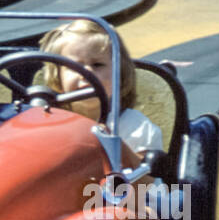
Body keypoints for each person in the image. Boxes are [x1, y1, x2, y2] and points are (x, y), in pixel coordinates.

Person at [37, 19, 163, 162]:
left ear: (119, 74)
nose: (87, 74)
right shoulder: (49, 123)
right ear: (57, 77)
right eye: (74, 67)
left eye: (97, 65)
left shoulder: (135, 127)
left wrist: (114, 147)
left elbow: (147, 182)